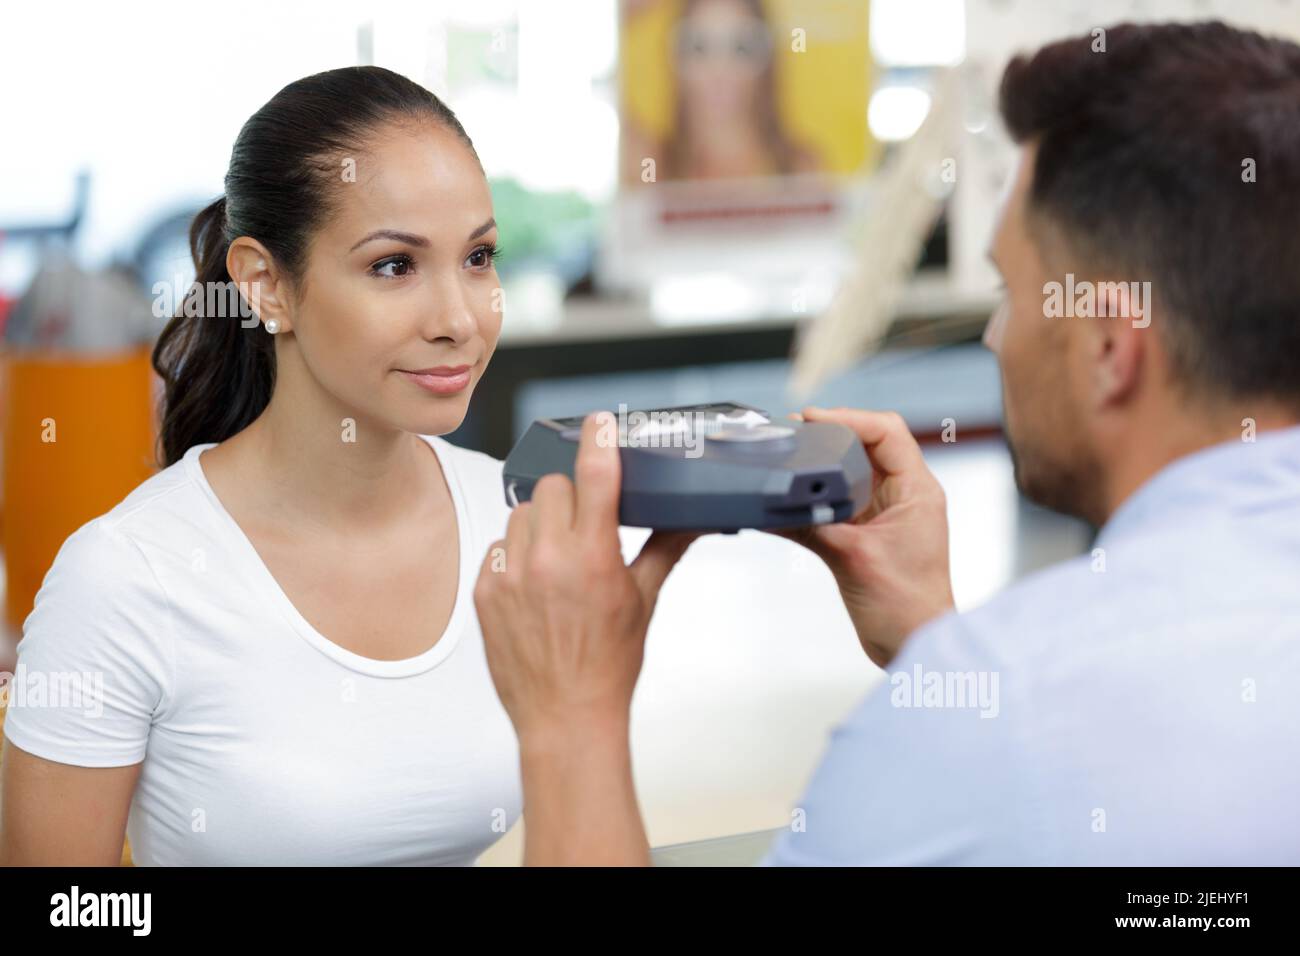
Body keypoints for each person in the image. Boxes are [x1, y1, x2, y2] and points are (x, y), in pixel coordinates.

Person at [473, 20, 1300, 865]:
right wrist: (935, 645)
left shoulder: (973, 733)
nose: (994, 340)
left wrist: (569, 717)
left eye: (1011, 292)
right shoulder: (1017, 704)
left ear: (1108, 350)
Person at [1, 66, 524, 865]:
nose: (459, 319)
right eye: (394, 265)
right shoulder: (126, 579)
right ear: (265, 285)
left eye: (479, 257)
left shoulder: (514, 520)